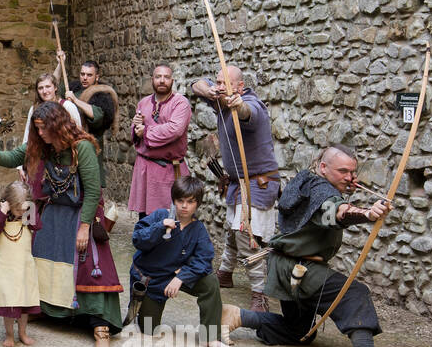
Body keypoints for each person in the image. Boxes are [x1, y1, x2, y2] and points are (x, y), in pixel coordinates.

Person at [222, 145, 410, 347]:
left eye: (352, 172)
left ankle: (237, 316)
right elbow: (336, 212)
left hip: (285, 267)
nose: (350, 177)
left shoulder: (307, 181)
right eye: (342, 171)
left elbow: (332, 204)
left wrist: (345, 192)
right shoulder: (321, 190)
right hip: (300, 270)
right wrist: (367, 214)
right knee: (354, 293)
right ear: (323, 168)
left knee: (298, 332)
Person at [0, 101, 124, 347]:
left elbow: (93, 190)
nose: (39, 134)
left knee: (88, 266)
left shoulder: (82, 147)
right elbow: (16, 156)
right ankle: (45, 310)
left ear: (56, 125)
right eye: (36, 128)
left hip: (80, 216)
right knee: (39, 259)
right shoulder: (43, 147)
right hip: (51, 214)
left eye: (42, 128)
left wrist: (84, 227)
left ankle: (100, 325)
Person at [191, 65, 280, 312]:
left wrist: (237, 104)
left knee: (246, 236)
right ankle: (225, 273)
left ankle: (260, 293)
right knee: (232, 231)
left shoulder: (252, 104)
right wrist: (212, 91)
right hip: (238, 183)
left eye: (224, 84)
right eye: (218, 81)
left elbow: (248, 113)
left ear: (240, 87)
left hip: (258, 183)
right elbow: (196, 84)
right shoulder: (218, 99)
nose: (219, 86)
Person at [129, 176, 229, 347]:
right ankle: (145, 310)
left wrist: (181, 277)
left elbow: (204, 259)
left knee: (210, 281)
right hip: (151, 281)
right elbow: (138, 239)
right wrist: (159, 227)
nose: (184, 206)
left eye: (190, 202)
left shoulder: (198, 229)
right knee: (149, 330)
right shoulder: (160, 215)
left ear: (197, 204)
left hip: (174, 276)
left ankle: (210, 337)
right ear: (174, 201)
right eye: (180, 201)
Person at [0, 180, 40, 347]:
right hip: (6, 269)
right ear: (7, 203)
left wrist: (31, 209)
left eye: (24, 209)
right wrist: (3, 211)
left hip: (24, 269)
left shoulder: (26, 217)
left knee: (24, 303)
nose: (21, 213)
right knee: (8, 304)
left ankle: (22, 333)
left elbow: (38, 225)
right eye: (17, 209)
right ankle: (9, 335)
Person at [129, 64, 191, 218]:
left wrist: (146, 131)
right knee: (145, 221)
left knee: (169, 219)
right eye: (158, 77)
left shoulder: (180, 103)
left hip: (168, 170)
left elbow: (174, 129)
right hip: (145, 170)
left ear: (172, 80)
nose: (162, 81)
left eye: (166, 77)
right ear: (152, 80)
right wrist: (136, 127)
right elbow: (137, 133)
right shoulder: (143, 103)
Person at [55, 53, 119, 189]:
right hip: (69, 146)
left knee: (89, 188)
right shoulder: (73, 88)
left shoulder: (102, 94)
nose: (84, 77)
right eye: (82, 74)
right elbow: (52, 85)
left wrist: (75, 101)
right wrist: (60, 64)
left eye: (89, 75)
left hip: (90, 147)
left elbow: (97, 114)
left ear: (97, 77)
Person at [22, 73, 81, 144]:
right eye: (40, 88)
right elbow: (28, 135)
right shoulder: (34, 109)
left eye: (48, 87)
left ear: (55, 87)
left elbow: (78, 132)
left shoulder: (67, 106)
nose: (44, 91)